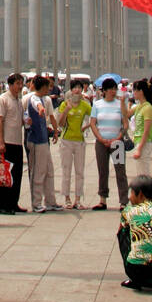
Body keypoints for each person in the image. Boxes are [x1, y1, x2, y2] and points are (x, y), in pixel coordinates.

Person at [89, 77, 129, 211]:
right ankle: (102, 199)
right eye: (111, 89)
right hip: (101, 142)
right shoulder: (97, 104)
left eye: (114, 88)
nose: (113, 91)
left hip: (117, 142)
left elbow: (125, 124)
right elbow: (93, 123)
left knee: (120, 171)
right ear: (104, 91)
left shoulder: (120, 104)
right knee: (103, 170)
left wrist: (117, 138)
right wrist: (100, 138)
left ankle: (123, 201)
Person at [23, 74, 61, 213]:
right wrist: (40, 109)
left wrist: (55, 131)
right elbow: (36, 105)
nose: (49, 89)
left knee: (49, 171)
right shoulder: (34, 98)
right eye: (48, 87)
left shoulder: (44, 99)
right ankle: (36, 203)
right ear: (43, 87)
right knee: (38, 172)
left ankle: (50, 201)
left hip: (44, 140)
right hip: (36, 141)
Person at [0, 73, 27, 215]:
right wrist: (0, 142)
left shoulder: (18, 101)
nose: (20, 87)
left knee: (16, 174)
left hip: (17, 142)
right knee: (4, 174)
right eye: (17, 84)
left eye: (21, 84)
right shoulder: (3, 99)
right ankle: (2, 205)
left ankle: (13, 203)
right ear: (10, 85)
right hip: (6, 142)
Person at [58, 79, 92, 208]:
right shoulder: (65, 104)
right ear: (71, 90)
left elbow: (95, 117)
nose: (77, 90)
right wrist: (67, 109)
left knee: (79, 171)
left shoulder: (84, 105)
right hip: (66, 140)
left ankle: (78, 199)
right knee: (66, 170)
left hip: (80, 142)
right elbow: (60, 123)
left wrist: (86, 126)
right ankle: (67, 198)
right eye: (74, 88)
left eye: (79, 88)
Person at [125, 79, 152, 176]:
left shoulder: (147, 108)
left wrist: (139, 149)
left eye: (135, 90)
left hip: (144, 143)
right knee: (140, 172)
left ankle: (145, 191)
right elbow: (126, 114)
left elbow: (146, 131)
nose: (133, 93)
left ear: (141, 91)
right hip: (138, 141)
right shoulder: (139, 106)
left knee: (143, 173)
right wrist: (122, 102)